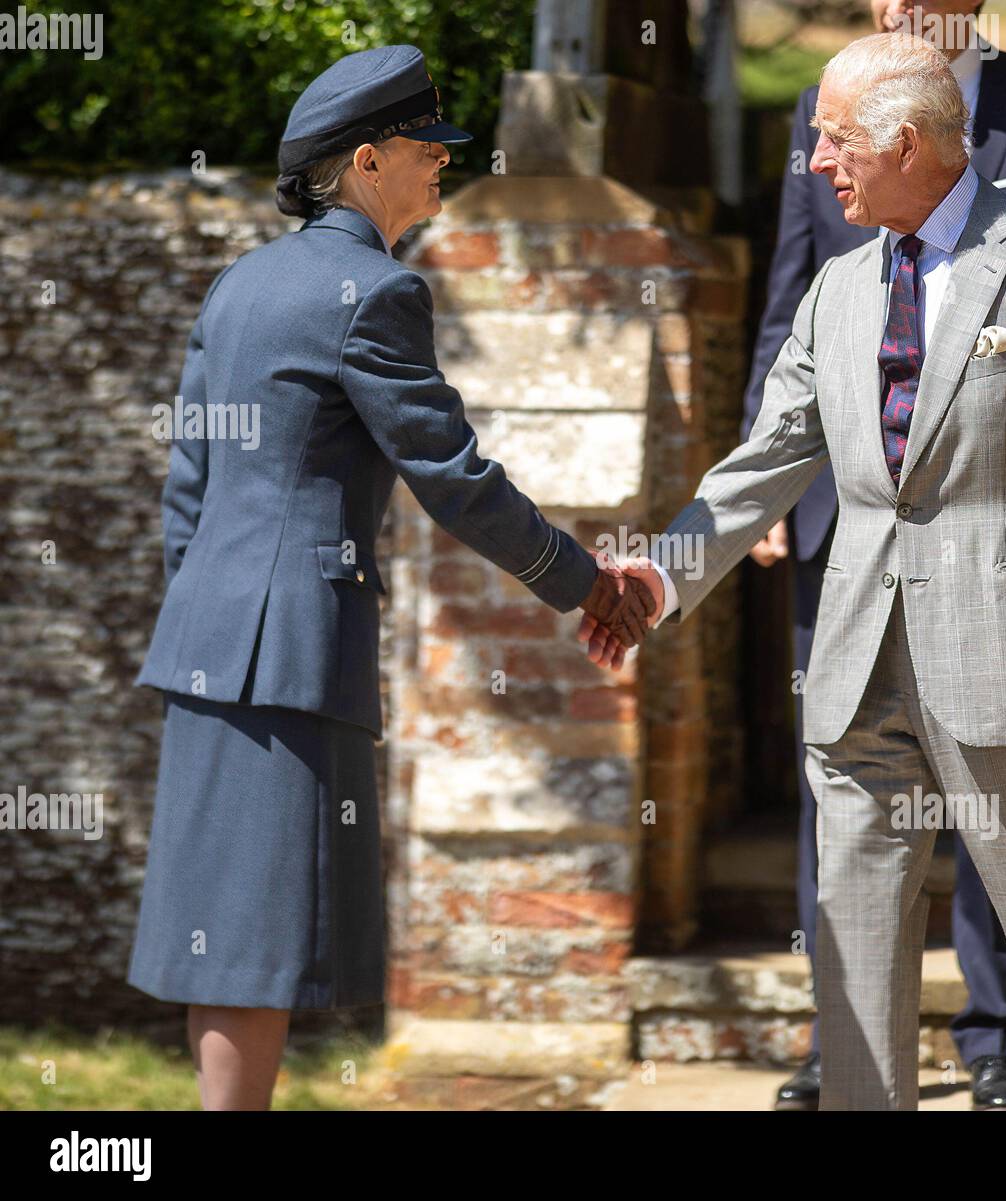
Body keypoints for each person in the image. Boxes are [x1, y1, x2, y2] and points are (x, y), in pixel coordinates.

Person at [601, 31, 1006, 1112]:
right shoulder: (834, 290)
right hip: (856, 653)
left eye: (834, 143)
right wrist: (662, 572)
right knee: (855, 930)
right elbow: (768, 457)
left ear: (905, 142)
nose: (818, 165)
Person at [128, 44, 652, 1110]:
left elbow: (188, 485)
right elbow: (450, 476)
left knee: (225, 929)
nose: (440, 169)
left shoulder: (239, 285)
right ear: (367, 162)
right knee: (254, 935)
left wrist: (210, 614)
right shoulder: (375, 292)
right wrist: (582, 578)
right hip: (288, 655)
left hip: (209, 644)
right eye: (425, 152)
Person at [737, 0, 1006, 1110]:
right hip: (853, 533)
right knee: (856, 830)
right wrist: (726, 512)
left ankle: (1001, 1037)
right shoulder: (833, 164)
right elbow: (792, 302)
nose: (823, 160)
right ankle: (850, 1055)